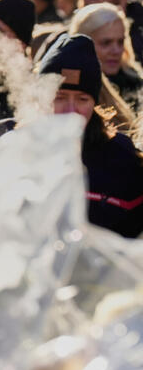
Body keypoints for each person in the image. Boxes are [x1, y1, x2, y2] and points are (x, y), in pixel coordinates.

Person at [38, 33, 143, 238]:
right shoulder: (17, 146)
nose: (70, 110)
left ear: (94, 103)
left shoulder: (123, 159)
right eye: (59, 97)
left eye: (82, 99)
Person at [70, 2, 143, 111]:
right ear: (83, 45)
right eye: (106, 43)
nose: (116, 51)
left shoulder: (137, 85)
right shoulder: (69, 89)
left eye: (120, 42)